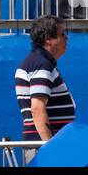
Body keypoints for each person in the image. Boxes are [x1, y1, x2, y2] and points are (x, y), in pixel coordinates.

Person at [15, 15, 75, 162]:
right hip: (43, 148)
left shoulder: (38, 61)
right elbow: (37, 108)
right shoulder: (41, 64)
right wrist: (51, 146)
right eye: (62, 34)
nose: (67, 38)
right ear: (48, 39)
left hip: (41, 146)